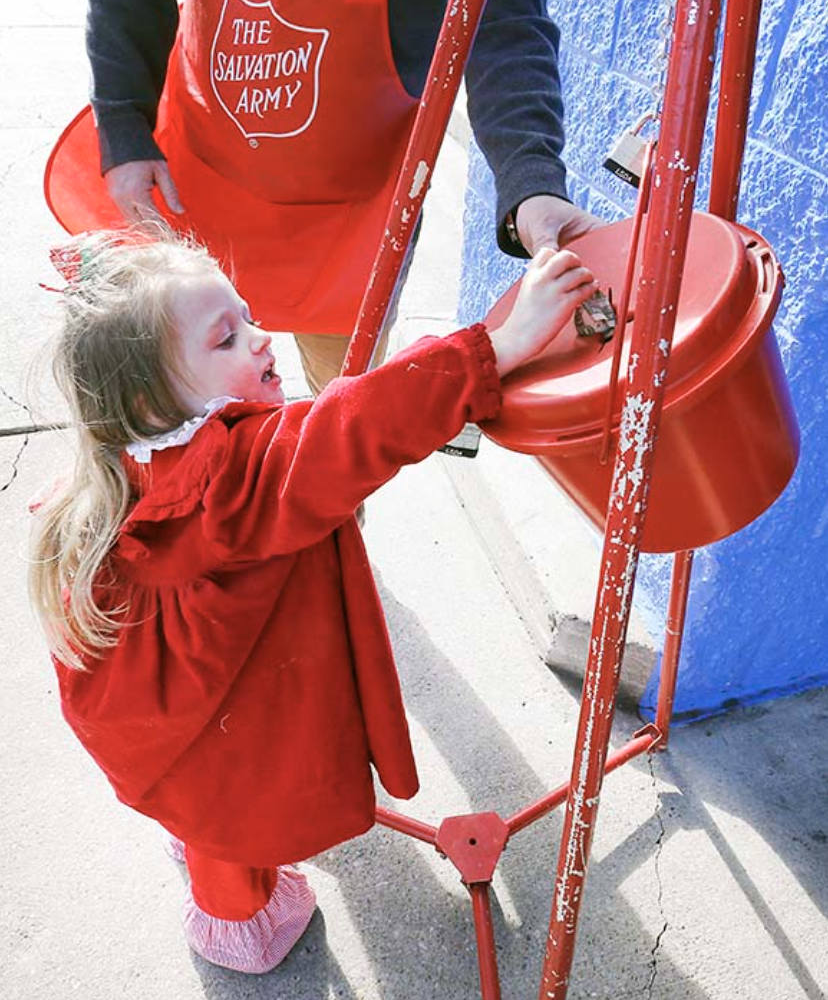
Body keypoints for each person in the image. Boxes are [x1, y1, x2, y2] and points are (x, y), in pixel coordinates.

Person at [29, 225, 597, 974]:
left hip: (165, 719)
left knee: (207, 812)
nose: (262, 340)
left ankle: (207, 854)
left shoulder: (130, 462)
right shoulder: (232, 475)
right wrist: (494, 346)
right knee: (231, 821)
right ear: (153, 398)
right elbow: (351, 426)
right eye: (226, 339)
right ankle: (241, 929)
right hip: (221, 733)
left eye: (247, 314)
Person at [45, 0, 602, 395]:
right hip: (200, 172)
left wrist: (530, 179)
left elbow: (501, 19)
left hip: (357, 204)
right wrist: (121, 124)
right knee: (186, 418)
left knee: (335, 435)